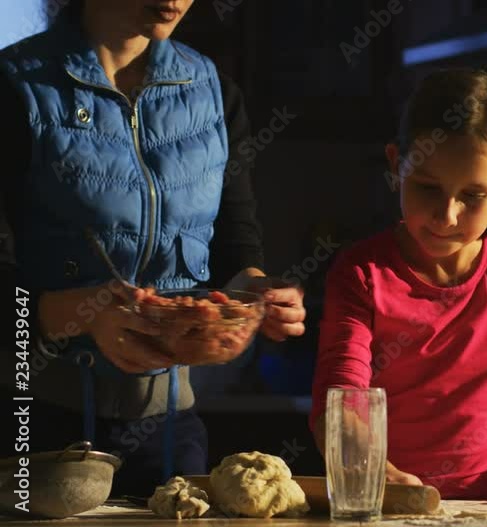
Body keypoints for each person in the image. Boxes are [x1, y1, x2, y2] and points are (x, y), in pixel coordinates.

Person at [0, 0, 306, 496]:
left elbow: (235, 245)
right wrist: (84, 312)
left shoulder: (214, 93)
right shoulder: (14, 87)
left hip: (170, 430)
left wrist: (254, 294)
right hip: (35, 425)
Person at [310, 69, 487, 505]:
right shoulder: (362, 273)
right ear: (396, 166)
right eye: (428, 188)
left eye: (473, 196)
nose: (447, 215)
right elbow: (341, 403)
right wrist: (376, 473)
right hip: (392, 509)